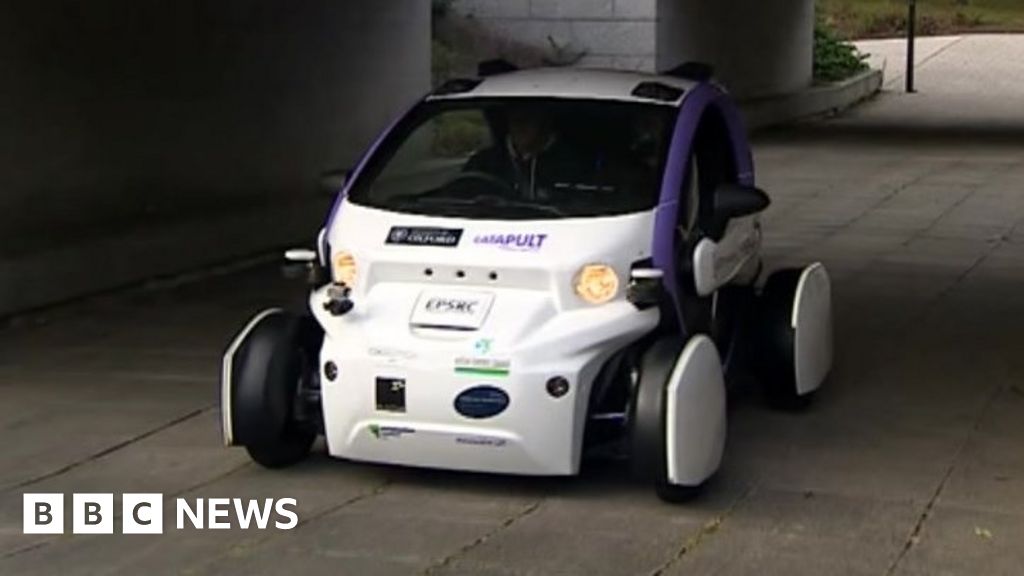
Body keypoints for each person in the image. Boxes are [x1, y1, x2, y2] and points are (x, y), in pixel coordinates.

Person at [462, 106, 591, 201]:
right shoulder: (482, 163)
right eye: (515, 119)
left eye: (528, 119)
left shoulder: (573, 163)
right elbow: (457, 197)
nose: (520, 126)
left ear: (545, 121)